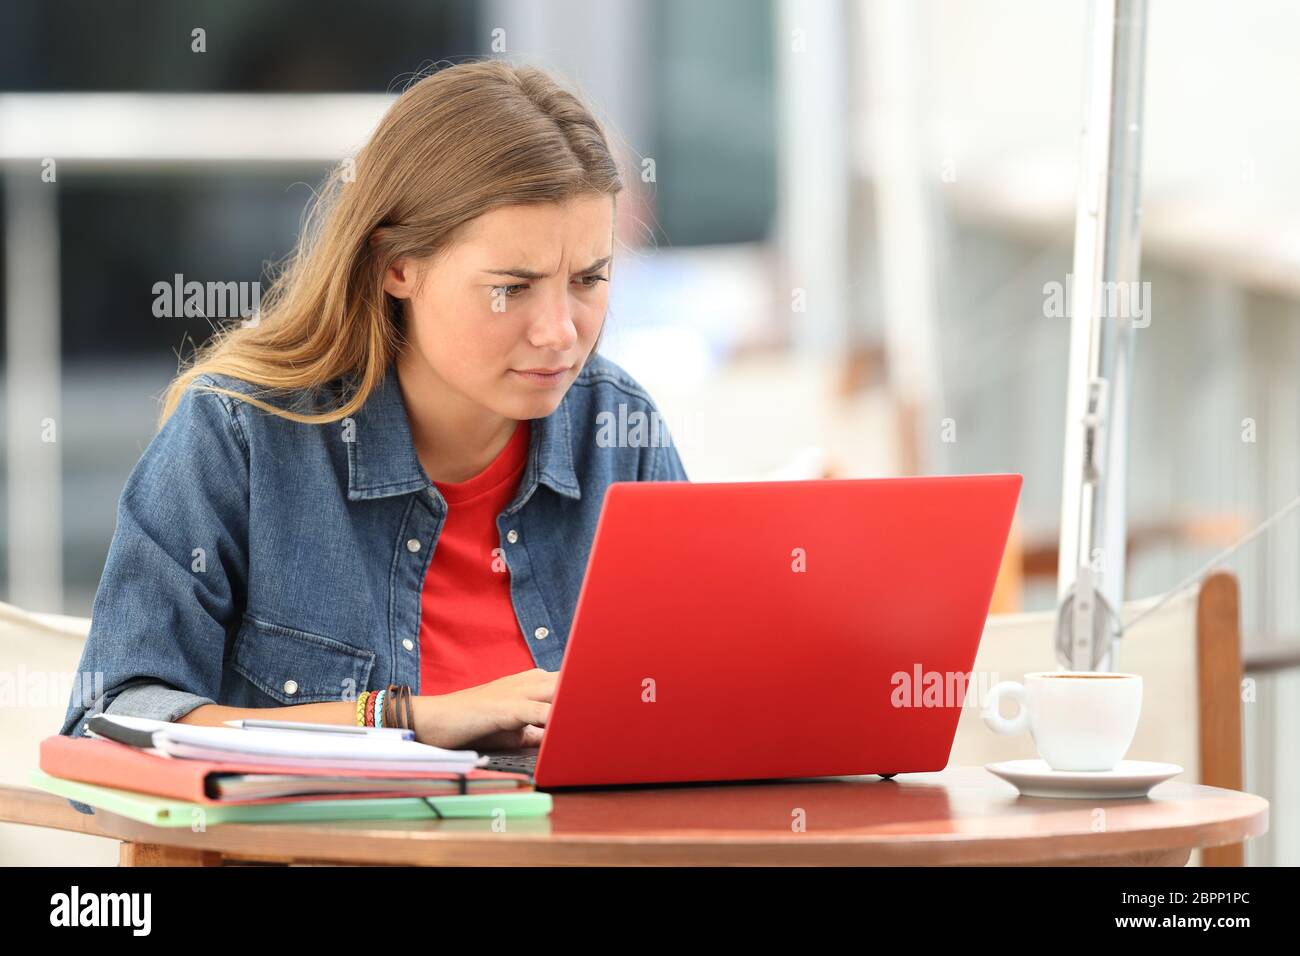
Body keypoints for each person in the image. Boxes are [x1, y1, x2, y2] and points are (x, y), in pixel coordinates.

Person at [59, 59, 688, 758]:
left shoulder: (618, 430)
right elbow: (110, 724)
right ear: (397, 266)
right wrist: (405, 718)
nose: (560, 331)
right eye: (513, 287)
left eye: (589, 279)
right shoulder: (239, 437)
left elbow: (694, 705)